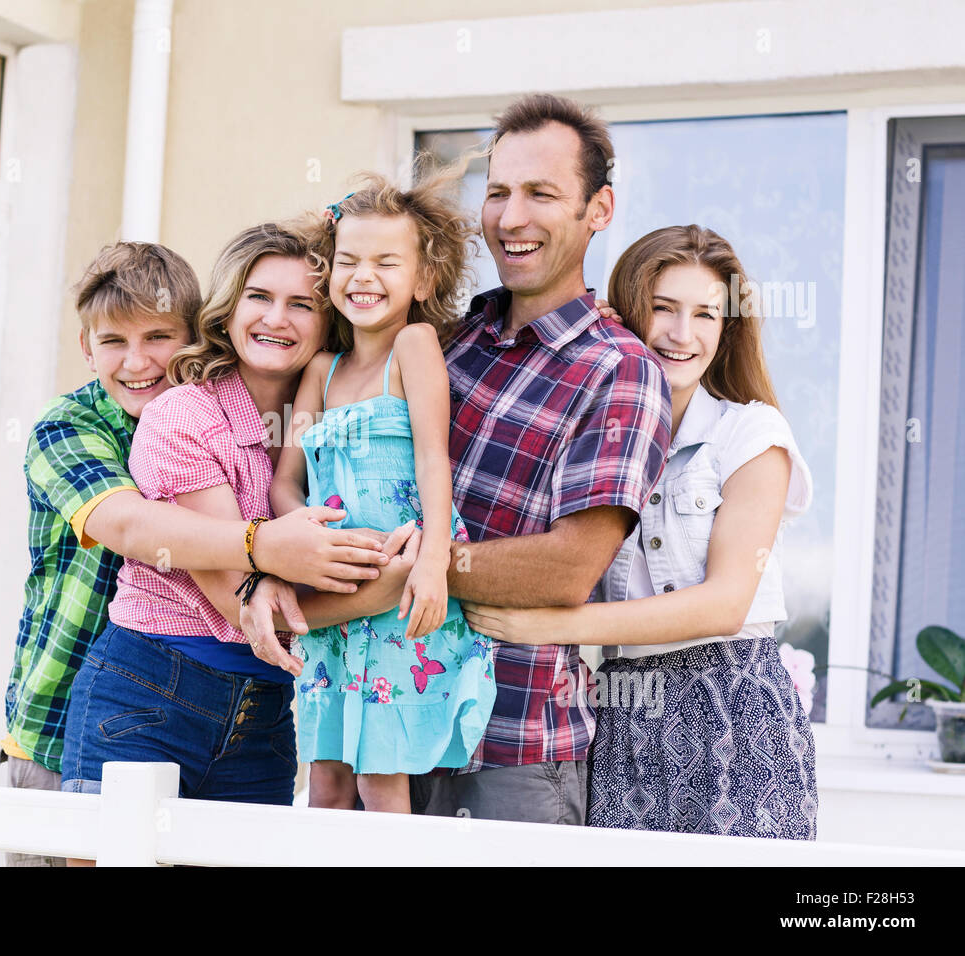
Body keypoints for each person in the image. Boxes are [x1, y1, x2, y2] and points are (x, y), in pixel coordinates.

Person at [242, 91, 671, 827]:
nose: (511, 216)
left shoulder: (619, 370)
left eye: (542, 193)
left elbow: (569, 569)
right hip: (374, 693)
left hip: (511, 747)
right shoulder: (446, 341)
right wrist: (273, 565)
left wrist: (408, 566)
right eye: (498, 192)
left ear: (598, 209)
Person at [3, 241, 391, 865]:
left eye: (158, 337)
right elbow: (133, 527)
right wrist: (269, 554)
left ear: (189, 336)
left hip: (254, 705)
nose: (138, 362)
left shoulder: (304, 425)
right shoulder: (75, 427)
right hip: (70, 717)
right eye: (113, 342)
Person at [464, 224, 818, 839]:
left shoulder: (752, 436)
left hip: (732, 708)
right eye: (662, 309)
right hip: (622, 710)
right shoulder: (598, 433)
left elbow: (725, 603)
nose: (683, 335)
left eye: (706, 314)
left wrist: (553, 626)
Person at [269, 170, 496, 814]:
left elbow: (433, 456)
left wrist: (432, 563)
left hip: (400, 588)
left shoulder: (413, 346)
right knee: (325, 783)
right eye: (348, 262)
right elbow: (288, 482)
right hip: (335, 586)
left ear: (422, 279)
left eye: (386, 263)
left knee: (381, 776)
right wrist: (308, 537)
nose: (363, 276)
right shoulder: (322, 370)